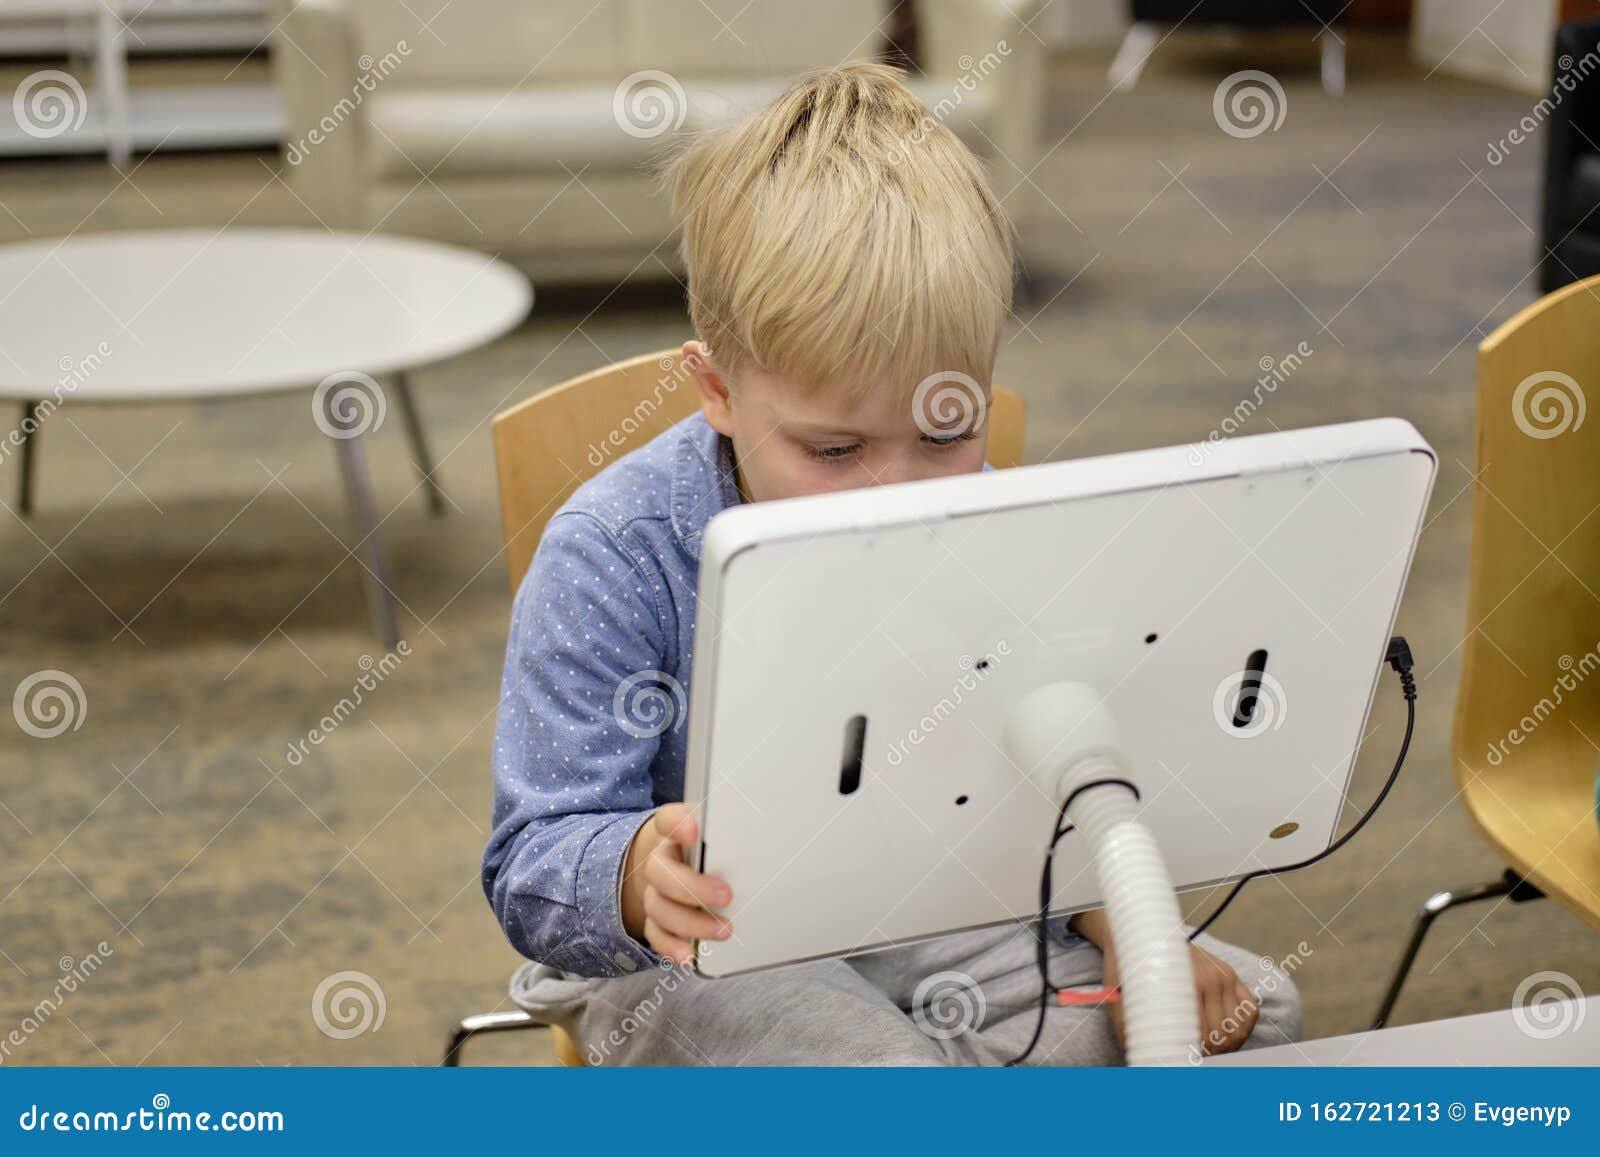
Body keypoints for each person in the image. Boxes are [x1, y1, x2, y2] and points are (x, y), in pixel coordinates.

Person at [482, 61, 1301, 1065]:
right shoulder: (615, 554)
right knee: (894, 1070)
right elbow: (529, 861)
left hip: (930, 902)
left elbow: (1045, 781)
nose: (896, 493)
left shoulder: (995, 522)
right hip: (696, 945)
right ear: (717, 391)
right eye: (834, 449)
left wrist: (1127, 926)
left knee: (1250, 1012)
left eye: (946, 433)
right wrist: (631, 873)